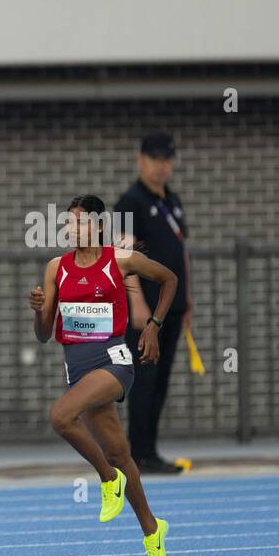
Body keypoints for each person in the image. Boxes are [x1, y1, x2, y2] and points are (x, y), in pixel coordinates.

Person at [28, 195, 178, 556]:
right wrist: (39, 310)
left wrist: (154, 327)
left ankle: (107, 481)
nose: (73, 230)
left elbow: (168, 279)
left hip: (114, 363)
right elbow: (44, 334)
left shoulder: (119, 260)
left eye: (81, 223)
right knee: (120, 453)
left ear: (97, 226)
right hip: (78, 372)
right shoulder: (56, 268)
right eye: (69, 224)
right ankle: (152, 528)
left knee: (60, 416)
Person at [115, 131, 191, 475]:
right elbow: (123, 256)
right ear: (140, 160)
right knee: (144, 381)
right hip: (147, 312)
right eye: (155, 159)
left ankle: (150, 450)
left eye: (166, 160)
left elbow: (182, 252)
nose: (161, 167)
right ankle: (139, 454)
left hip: (172, 308)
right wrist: (138, 306)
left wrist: (187, 300)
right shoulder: (130, 202)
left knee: (160, 382)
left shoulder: (172, 201)